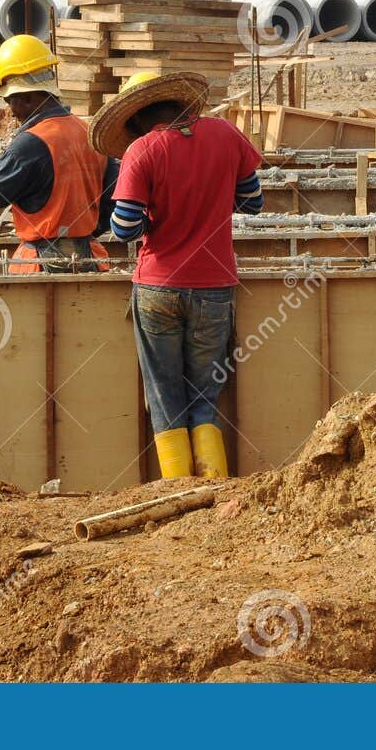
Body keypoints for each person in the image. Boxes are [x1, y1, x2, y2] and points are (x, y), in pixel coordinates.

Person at [92, 72, 264, 480]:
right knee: (205, 396)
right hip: (215, 286)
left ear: (136, 119)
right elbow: (253, 201)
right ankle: (214, 487)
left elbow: (124, 228)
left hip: (158, 286)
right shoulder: (225, 134)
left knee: (165, 395)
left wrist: (158, 216)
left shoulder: (143, 149)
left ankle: (177, 492)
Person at [0, 34, 115, 274]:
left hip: (41, 268)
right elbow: (112, 200)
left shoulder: (32, 143)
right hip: (90, 262)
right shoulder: (89, 133)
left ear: (26, 98)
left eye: (10, 101)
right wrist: (79, 233)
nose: (11, 111)